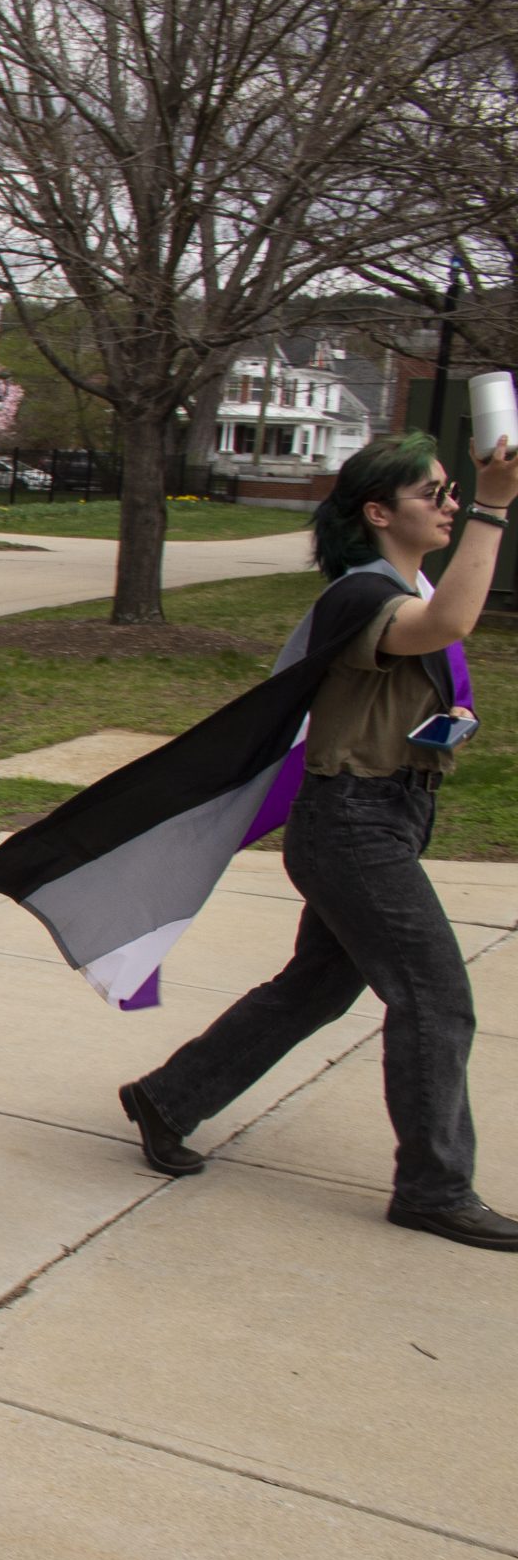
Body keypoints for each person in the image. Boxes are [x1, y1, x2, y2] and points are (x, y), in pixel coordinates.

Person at [116, 431, 518, 1251]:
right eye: (432, 494)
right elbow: (448, 622)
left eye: (450, 491)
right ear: (378, 512)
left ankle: (168, 1096)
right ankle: (433, 1186)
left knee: (315, 988)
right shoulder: (359, 597)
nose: (447, 504)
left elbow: (434, 632)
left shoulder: (402, 582)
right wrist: (494, 505)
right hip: (355, 824)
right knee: (436, 997)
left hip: (386, 818)